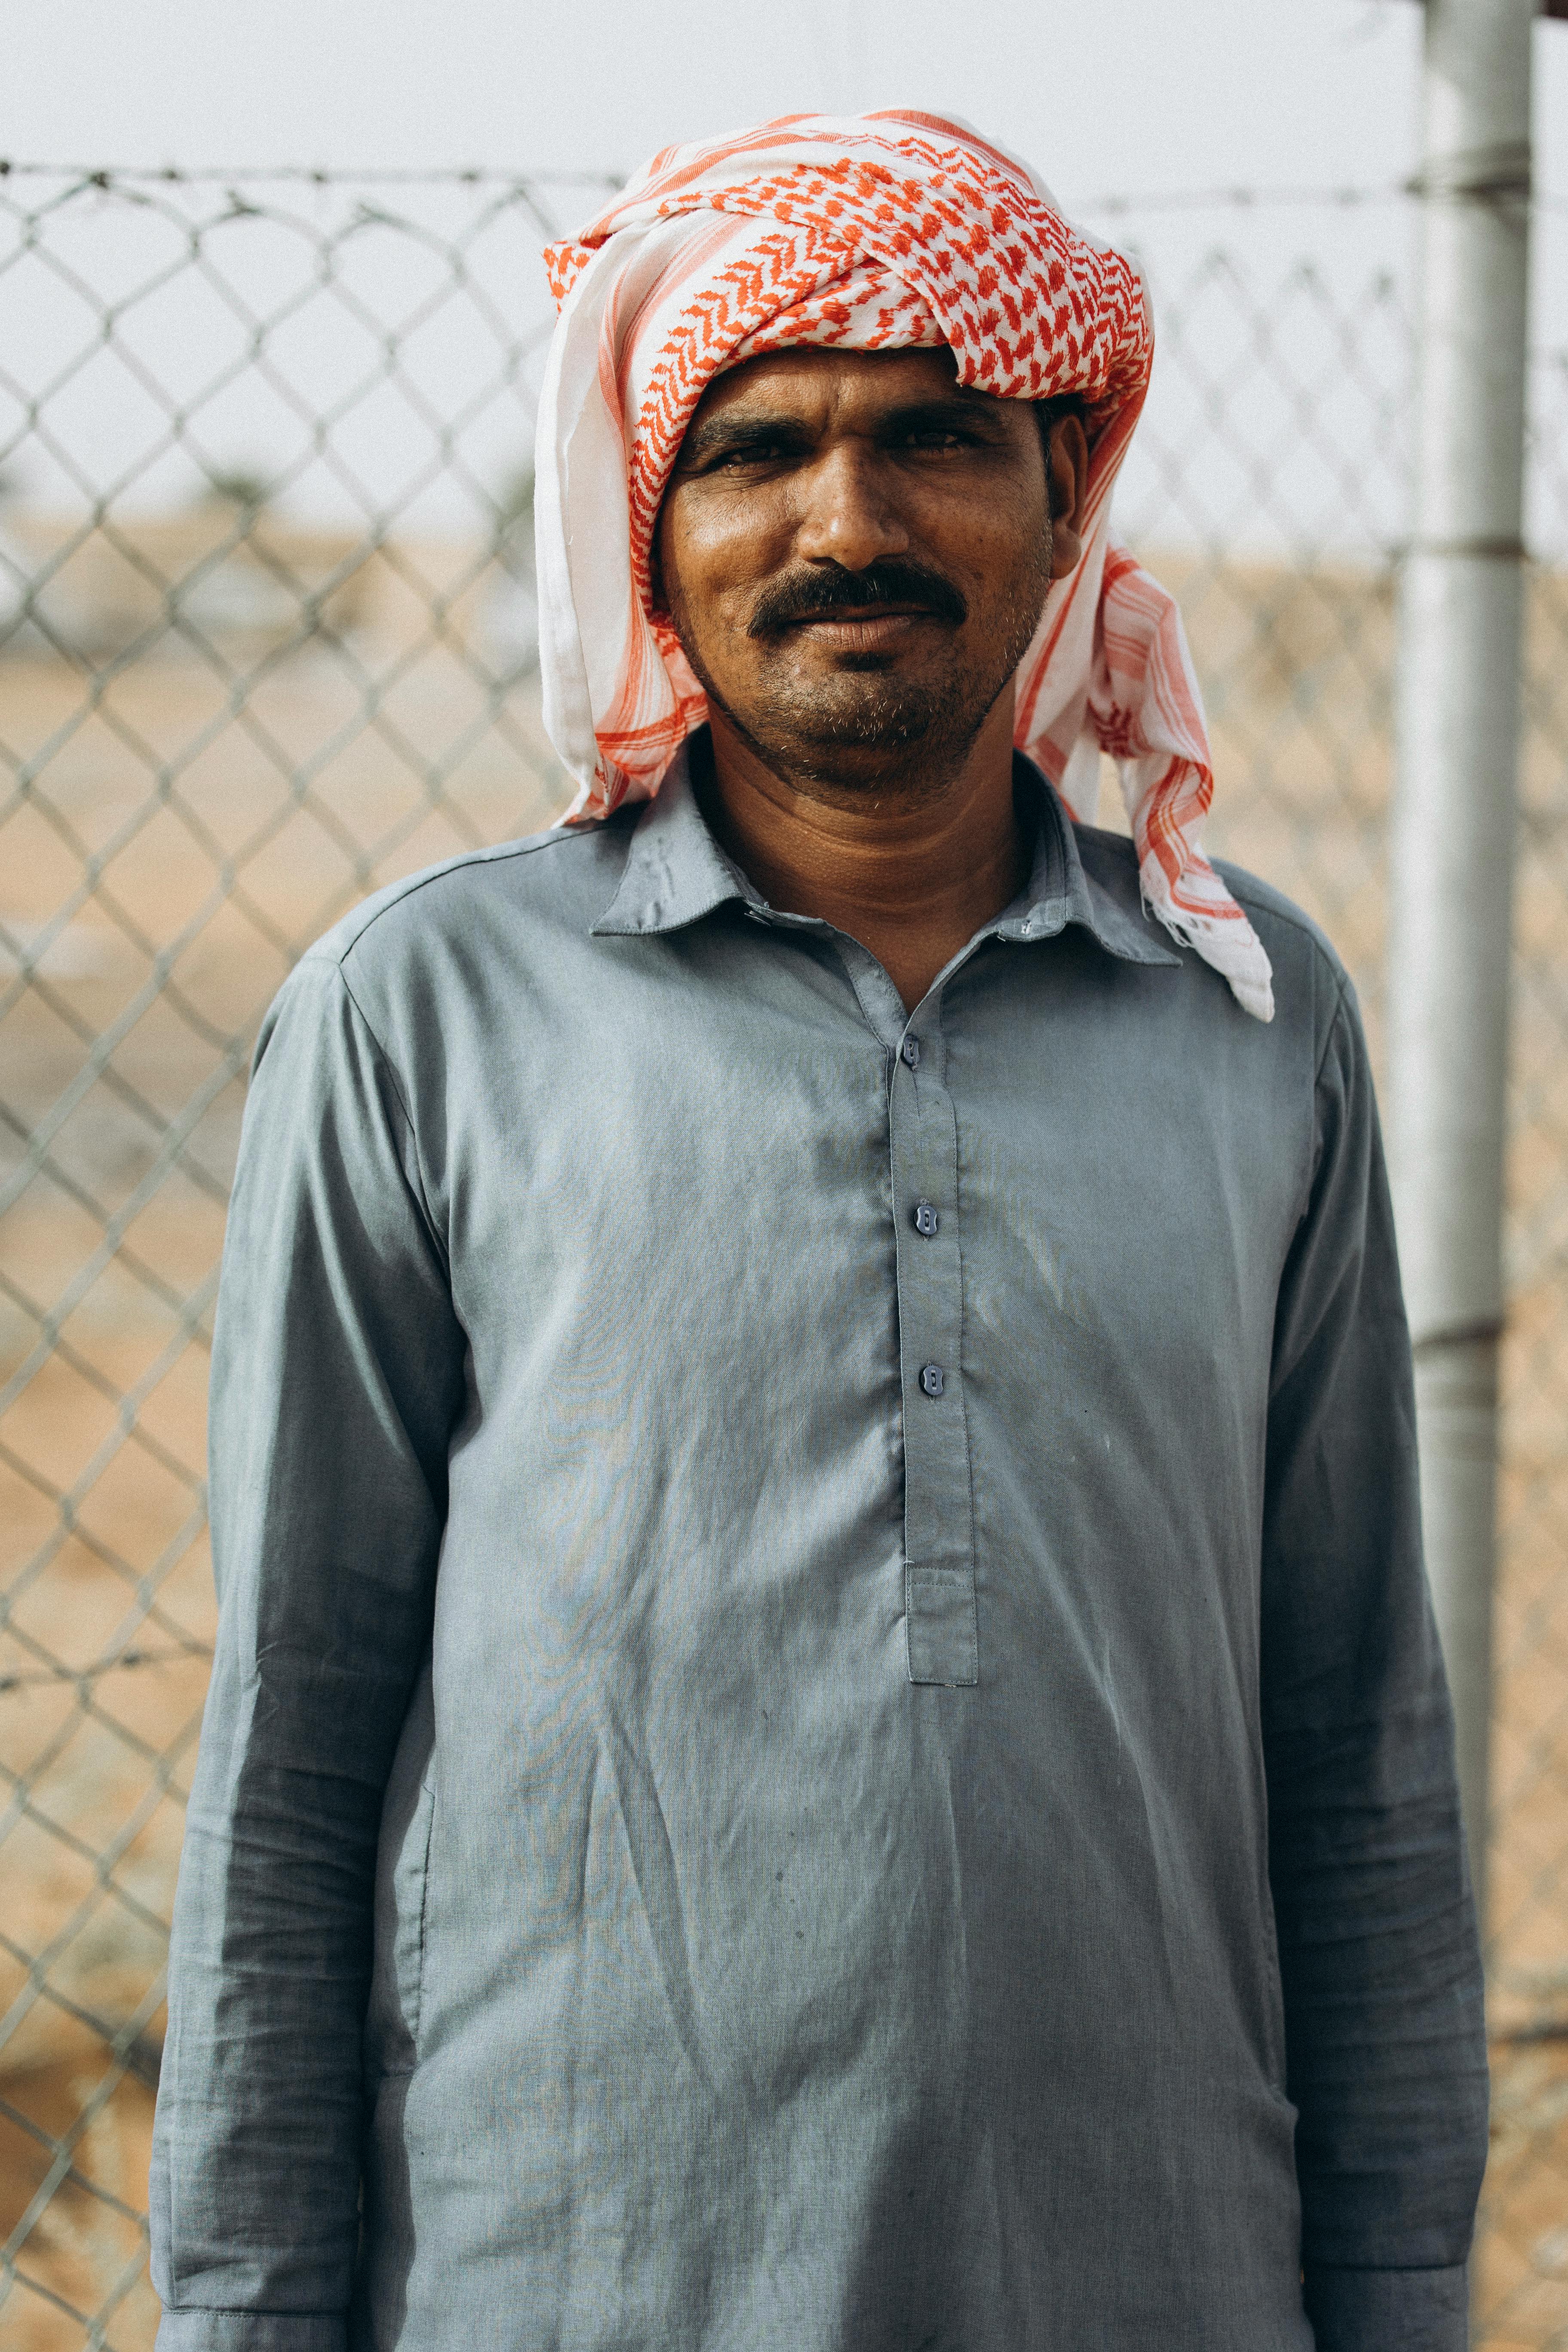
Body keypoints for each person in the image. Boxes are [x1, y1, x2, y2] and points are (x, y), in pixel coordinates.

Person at [150, 113, 1488, 2352]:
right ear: (656, 536)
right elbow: (291, 1770)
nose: (847, 522)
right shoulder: (427, 1013)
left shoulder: (1252, 1016)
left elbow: (1356, 1760)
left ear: (1070, 488)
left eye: (937, 436)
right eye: (757, 448)